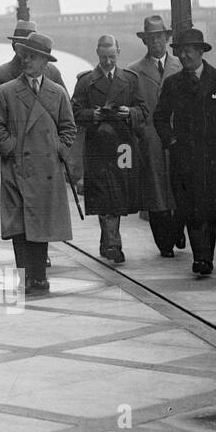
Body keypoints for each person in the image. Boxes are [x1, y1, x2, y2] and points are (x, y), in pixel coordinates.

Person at [0, 31, 77, 297]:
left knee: (42, 225)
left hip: (47, 170)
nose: (25, 60)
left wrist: (57, 148)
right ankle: (26, 277)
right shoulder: (7, 91)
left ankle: (40, 276)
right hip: (18, 168)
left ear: (44, 62)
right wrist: (10, 148)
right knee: (20, 226)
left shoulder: (57, 93)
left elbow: (69, 127)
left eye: (32, 56)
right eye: (24, 55)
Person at [153, 28, 216, 278]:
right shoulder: (173, 84)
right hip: (185, 158)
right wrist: (171, 141)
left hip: (214, 157)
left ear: (201, 51)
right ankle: (201, 259)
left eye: (189, 50)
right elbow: (160, 117)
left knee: (210, 210)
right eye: (180, 51)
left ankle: (206, 257)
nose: (184, 56)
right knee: (191, 208)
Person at [72, 35, 147, 265]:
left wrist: (129, 112)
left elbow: (143, 110)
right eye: (104, 57)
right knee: (105, 191)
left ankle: (108, 242)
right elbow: (73, 113)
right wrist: (92, 115)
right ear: (97, 53)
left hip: (123, 146)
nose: (107, 62)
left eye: (112, 57)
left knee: (119, 192)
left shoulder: (130, 80)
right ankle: (114, 244)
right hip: (98, 145)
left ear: (119, 52)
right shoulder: (85, 82)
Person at [125, 15, 186, 258]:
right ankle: (164, 243)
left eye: (160, 37)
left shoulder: (180, 66)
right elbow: (129, 107)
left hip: (178, 138)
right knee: (156, 193)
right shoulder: (133, 72)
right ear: (145, 41)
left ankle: (178, 230)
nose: (156, 42)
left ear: (167, 38)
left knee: (180, 189)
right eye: (151, 38)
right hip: (150, 140)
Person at [0, 20, 66, 115]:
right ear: (14, 46)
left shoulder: (52, 72)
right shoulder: (0, 74)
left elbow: (66, 105)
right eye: (21, 43)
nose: (26, 49)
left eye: (30, 44)